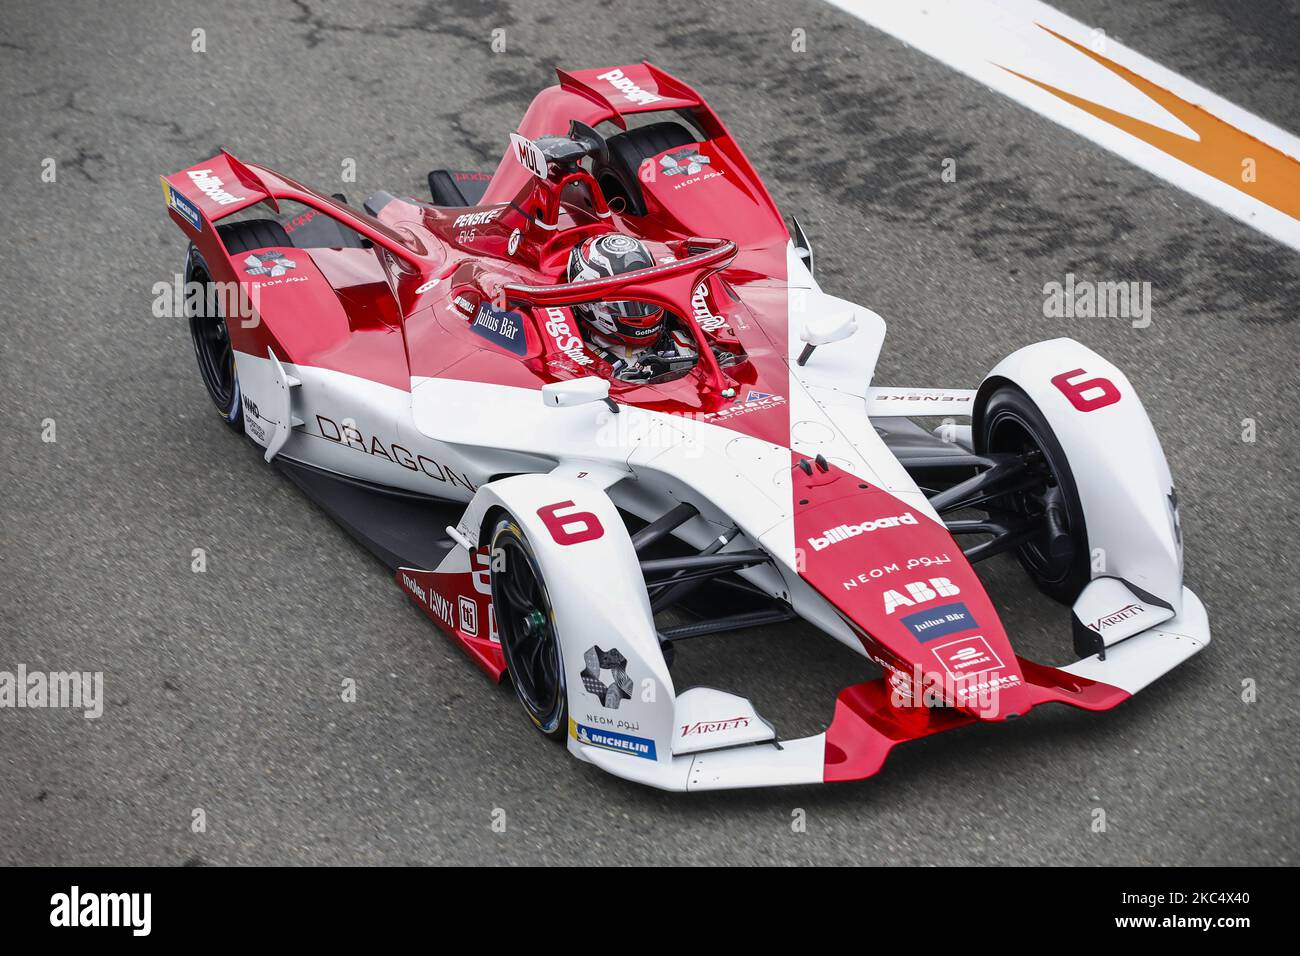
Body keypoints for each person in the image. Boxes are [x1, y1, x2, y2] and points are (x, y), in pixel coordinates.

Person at [566, 233, 698, 382]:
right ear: (587, 305)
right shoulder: (581, 363)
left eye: (646, 300)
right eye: (624, 305)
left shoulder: (682, 344)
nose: (643, 313)